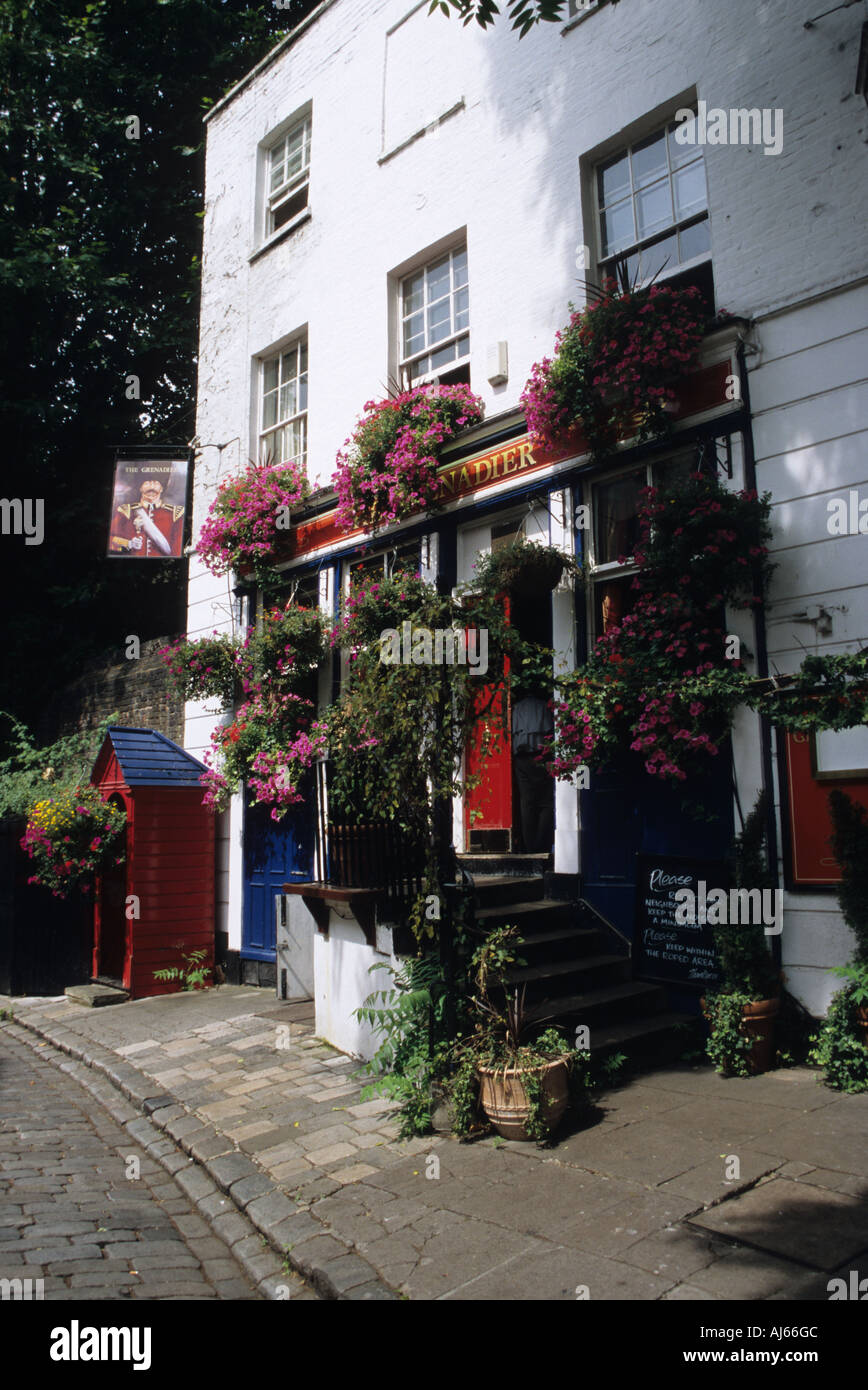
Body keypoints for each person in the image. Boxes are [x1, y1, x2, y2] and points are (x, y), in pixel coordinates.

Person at [512, 687, 555, 854]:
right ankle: (541, 844)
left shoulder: (516, 708)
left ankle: (530, 847)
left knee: (527, 803)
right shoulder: (544, 706)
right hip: (542, 757)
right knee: (546, 803)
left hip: (521, 759)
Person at [109, 477, 184, 557]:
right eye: (147, 483)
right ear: (140, 488)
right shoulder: (126, 511)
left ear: (162, 488)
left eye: (156, 483)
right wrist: (129, 543)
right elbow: (109, 540)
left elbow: (177, 550)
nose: (152, 486)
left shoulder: (174, 513)